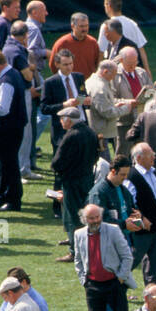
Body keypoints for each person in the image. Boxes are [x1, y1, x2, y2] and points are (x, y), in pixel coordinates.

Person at [72, 203, 133, 311]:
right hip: (92, 285)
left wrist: (120, 278)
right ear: (85, 219)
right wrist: (84, 280)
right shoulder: (79, 234)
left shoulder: (113, 230)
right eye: (91, 218)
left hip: (114, 283)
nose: (95, 221)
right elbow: (78, 259)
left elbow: (127, 256)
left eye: (97, 217)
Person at [52, 107, 99, 263]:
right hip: (87, 178)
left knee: (73, 215)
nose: (60, 122)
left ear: (68, 120)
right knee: (81, 212)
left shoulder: (71, 136)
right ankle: (76, 240)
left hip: (71, 180)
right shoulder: (90, 132)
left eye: (62, 119)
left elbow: (57, 162)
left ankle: (74, 250)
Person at [0, 47, 27, 212]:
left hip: (8, 128)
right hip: (13, 127)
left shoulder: (6, 80)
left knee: (9, 163)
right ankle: (2, 195)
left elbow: (2, 109)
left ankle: (13, 199)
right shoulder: (13, 74)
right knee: (4, 162)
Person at [123, 142, 156, 286]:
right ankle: (115, 285)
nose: (154, 156)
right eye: (150, 155)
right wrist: (141, 220)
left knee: (154, 264)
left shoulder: (155, 173)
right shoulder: (131, 176)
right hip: (141, 230)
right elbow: (128, 203)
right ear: (139, 158)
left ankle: (153, 292)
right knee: (132, 260)